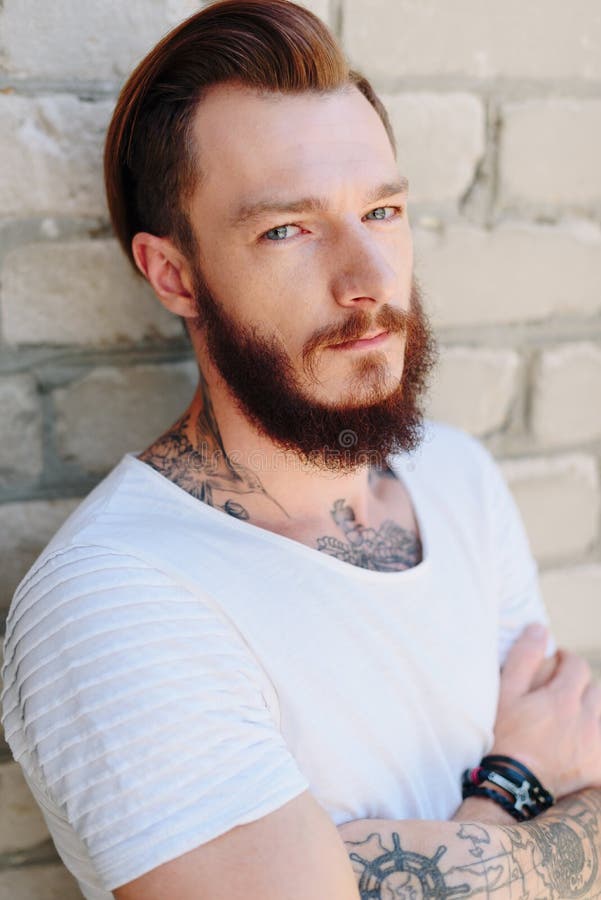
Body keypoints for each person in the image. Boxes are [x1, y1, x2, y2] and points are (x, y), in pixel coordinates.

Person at [1, 1, 600, 898]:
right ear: (173, 273)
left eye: (383, 210)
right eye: (288, 229)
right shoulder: (116, 598)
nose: (368, 280)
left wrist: (362, 860)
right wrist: (513, 784)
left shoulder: (459, 478)